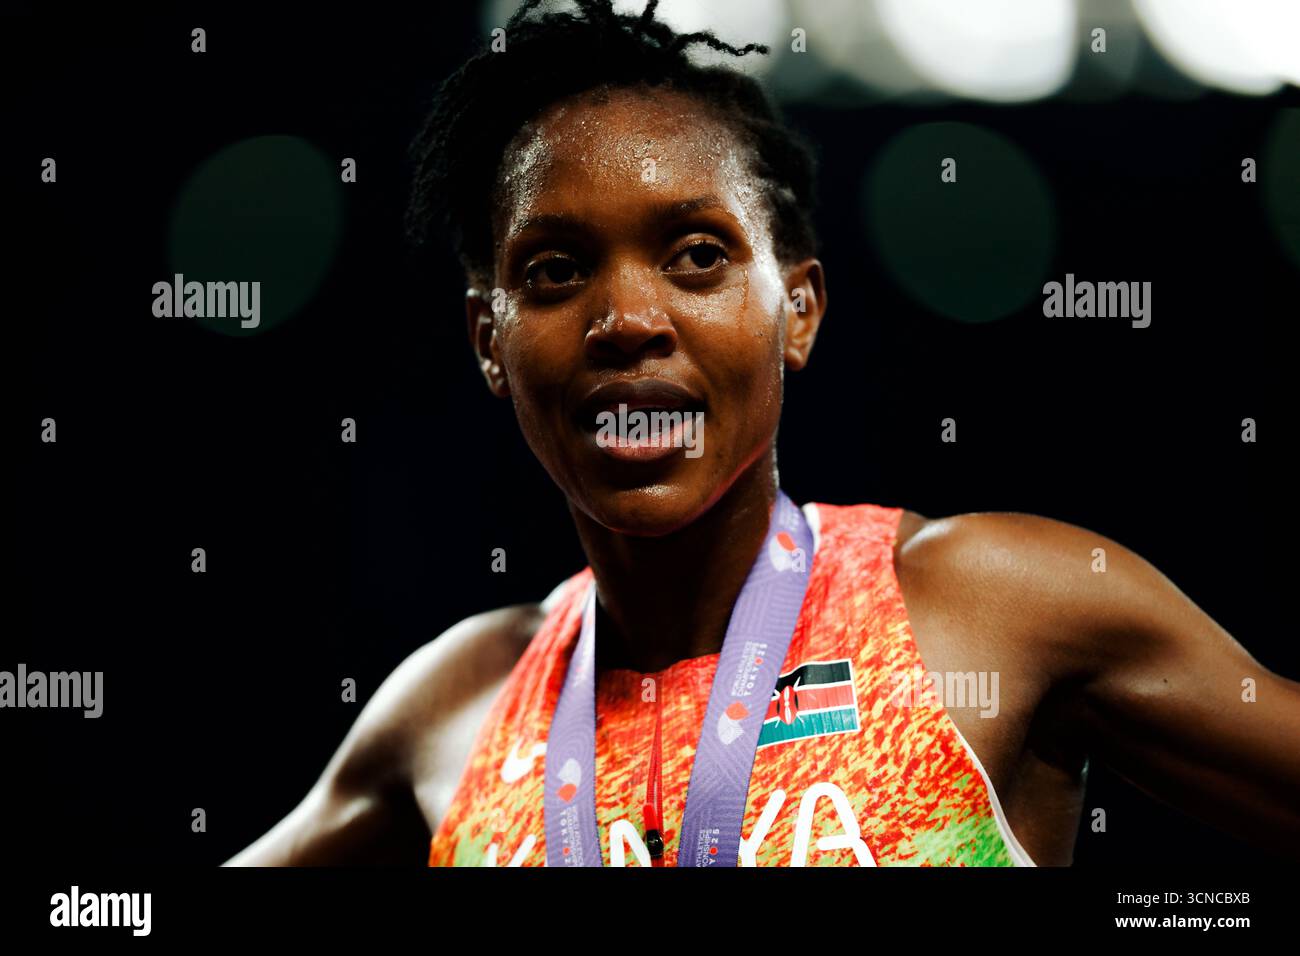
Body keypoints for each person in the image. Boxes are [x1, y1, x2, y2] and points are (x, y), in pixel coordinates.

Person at [225, 0, 1299, 867]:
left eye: (695, 254)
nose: (628, 320)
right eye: (555, 271)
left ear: (799, 310)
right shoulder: (451, 705)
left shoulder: (1000, 605)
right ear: (488, 342)